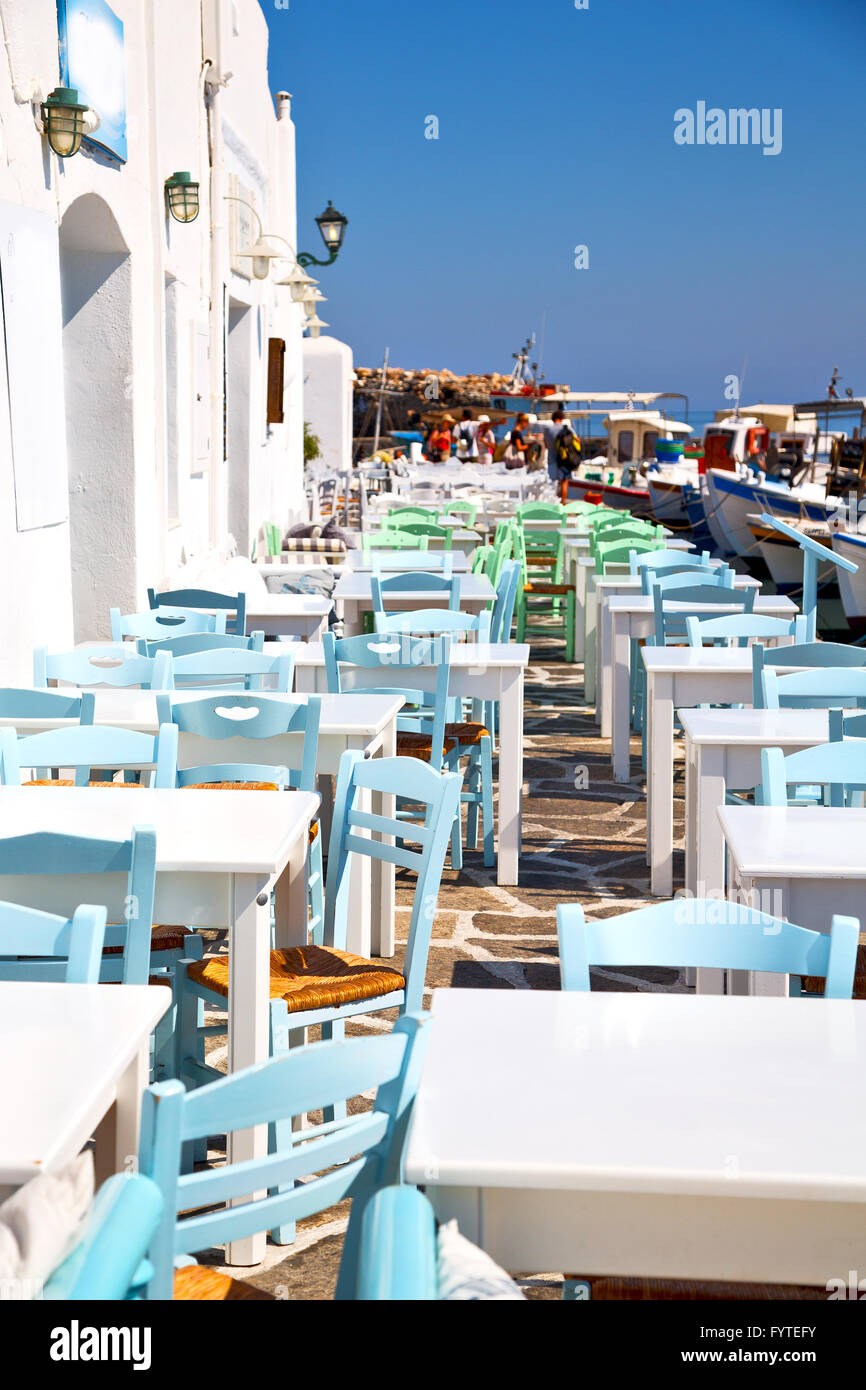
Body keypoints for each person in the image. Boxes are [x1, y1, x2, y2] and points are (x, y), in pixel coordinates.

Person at [539, 409, 580, 483]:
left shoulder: (548, 429)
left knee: (554, 485)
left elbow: (546, 445)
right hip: (565, 460)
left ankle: (556, 495)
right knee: (564, 483)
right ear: (562, 418)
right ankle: (563, 495)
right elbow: (577, 441)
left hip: (552, 460)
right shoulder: (567, 428)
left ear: (553, 418)